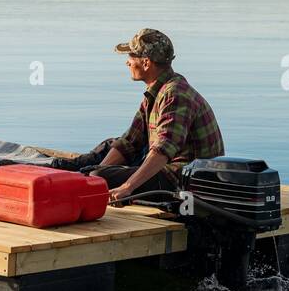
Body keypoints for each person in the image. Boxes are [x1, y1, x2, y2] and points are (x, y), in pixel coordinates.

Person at [50, 28, 224, 204]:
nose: (127, 63)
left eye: (131, 57)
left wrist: (127, 186)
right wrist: (97, 172)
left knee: (100, 176)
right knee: (109, 148)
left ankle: (85, 176)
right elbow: (130, 141)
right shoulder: (157, 91)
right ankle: (71, 171)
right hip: (167, 166)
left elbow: (163, 150)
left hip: (182, 179)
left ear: (146, 63)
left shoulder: (175, 94)